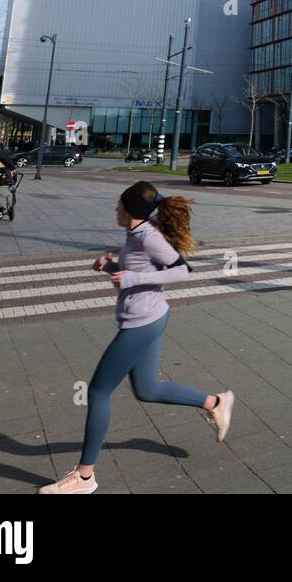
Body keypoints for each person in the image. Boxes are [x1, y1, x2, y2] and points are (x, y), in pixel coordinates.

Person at [39, 181, 234, 494]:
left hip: (142, 323)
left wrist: (132, 276)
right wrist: (111, 266)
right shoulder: (134, 234)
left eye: (118, 205)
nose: (115, 209)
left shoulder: (149, 236)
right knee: (147, 389)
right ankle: (216, 402)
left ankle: (85, 477)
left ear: (130, 210)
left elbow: (181, 271)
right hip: (149, 317)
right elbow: (134, 272)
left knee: (98, 392)